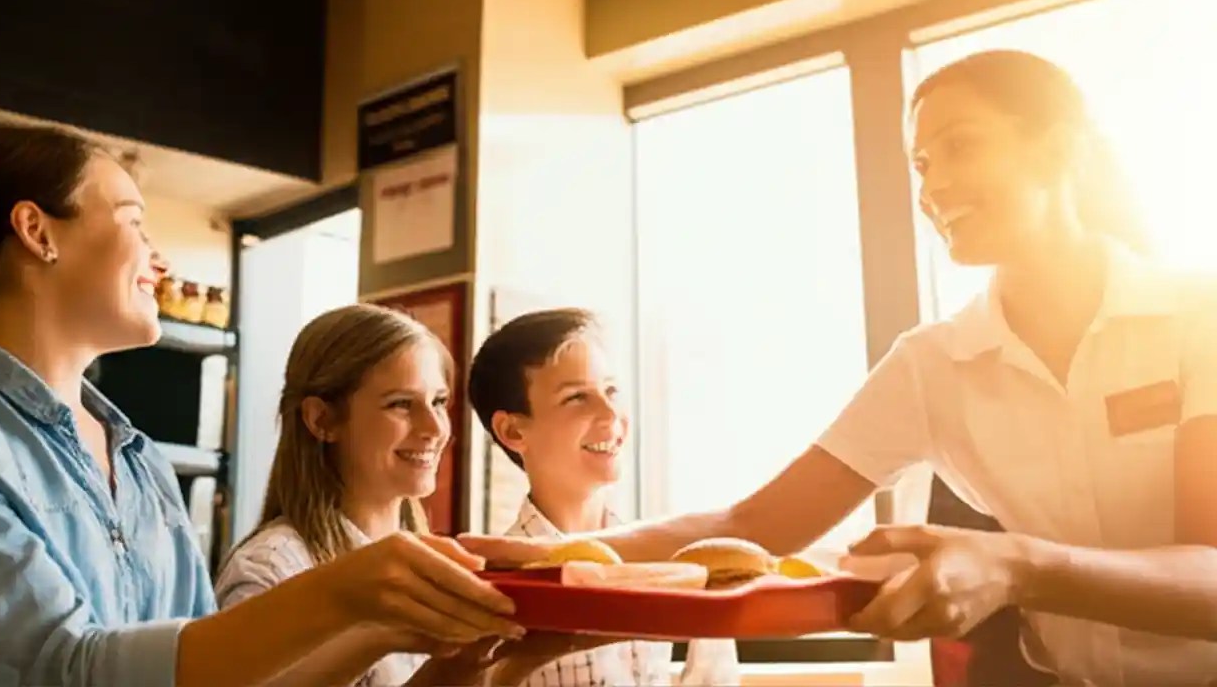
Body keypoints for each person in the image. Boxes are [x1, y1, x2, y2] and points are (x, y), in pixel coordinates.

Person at [460, 50, 1217, 687]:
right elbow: (752, 526)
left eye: (961, 145)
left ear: (1060, 149)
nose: (932, 186)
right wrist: (545, 558)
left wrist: (1014, 565)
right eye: (921, 162)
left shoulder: (1197, 313)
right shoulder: (934, 363)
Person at [0, 126, 521, 687]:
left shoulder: (141, 463)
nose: (158, 258)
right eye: (134, 223)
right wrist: (343, 593)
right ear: (38, 232)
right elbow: (61, 672)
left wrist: (391, 631)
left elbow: (211, 672)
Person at [216, 303, 614, 686]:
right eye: (401, 404)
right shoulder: (271, 569)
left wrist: (514, 662)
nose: (434, 428)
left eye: (439, 402)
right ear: (322, 419)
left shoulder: (439, 564)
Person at [467, 308, 740, 687]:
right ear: (513, 430)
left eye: (611, 390)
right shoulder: (497, 586)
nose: (611, 414)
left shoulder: (658, 560)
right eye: (577, 397)